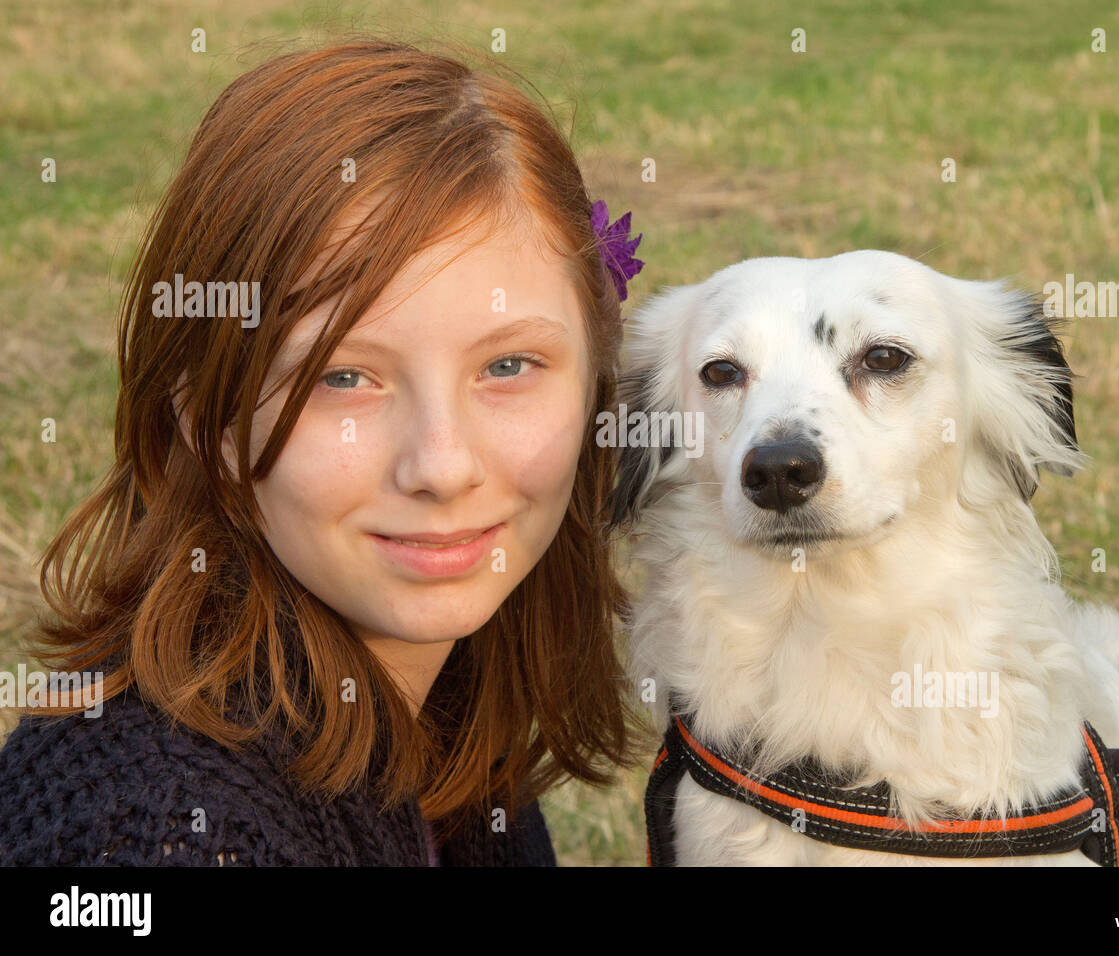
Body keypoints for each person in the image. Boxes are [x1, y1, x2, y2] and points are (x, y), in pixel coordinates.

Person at [0, 37, 647, 866]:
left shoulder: (442, 700)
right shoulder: (165, 833)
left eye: (508, 366)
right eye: (342, 377)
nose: (442, 467)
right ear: (209, 414)